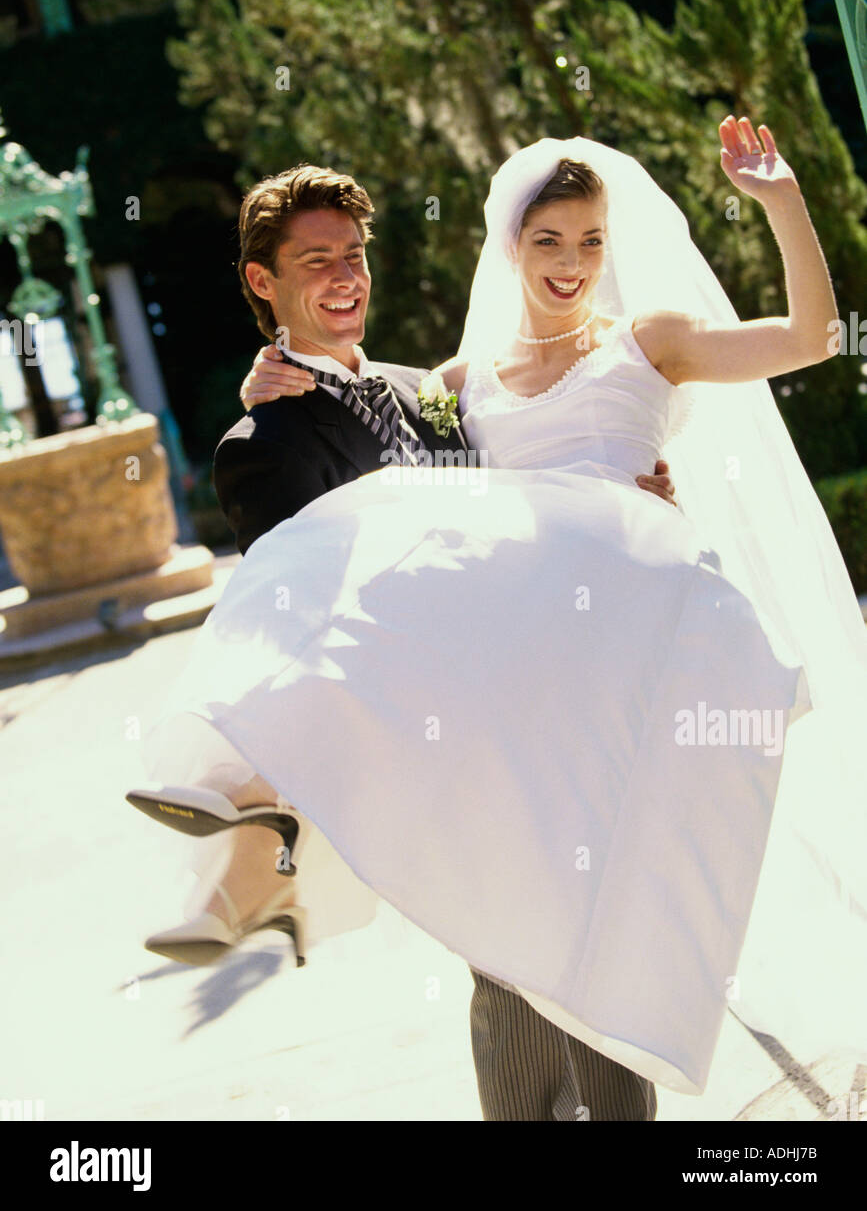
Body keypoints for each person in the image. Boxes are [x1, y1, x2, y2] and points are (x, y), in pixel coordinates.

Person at [129, 117, 867, 1111]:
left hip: (629, 662)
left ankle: (264, 836)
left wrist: (779, 196)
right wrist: (275, 385)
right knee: (518, 937)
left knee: (616, 914)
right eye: (549, 240)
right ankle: (253, 817)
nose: (573, 263)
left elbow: (812, 339)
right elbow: (406, 523)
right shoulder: (457, 391)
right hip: (522, 698)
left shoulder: (647, 342)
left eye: (593, 240)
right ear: (508, 248)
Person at [133, 160, 677, 1123]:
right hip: (441, 747)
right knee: (519, 959)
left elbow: (520, 504)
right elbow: (315, 611)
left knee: (583, 944)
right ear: (263, 283)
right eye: (314, 262)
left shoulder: (429, 392)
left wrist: (618, 502)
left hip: (543, 709)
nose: (344, 276)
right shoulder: (260, 448)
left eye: (353, 256)